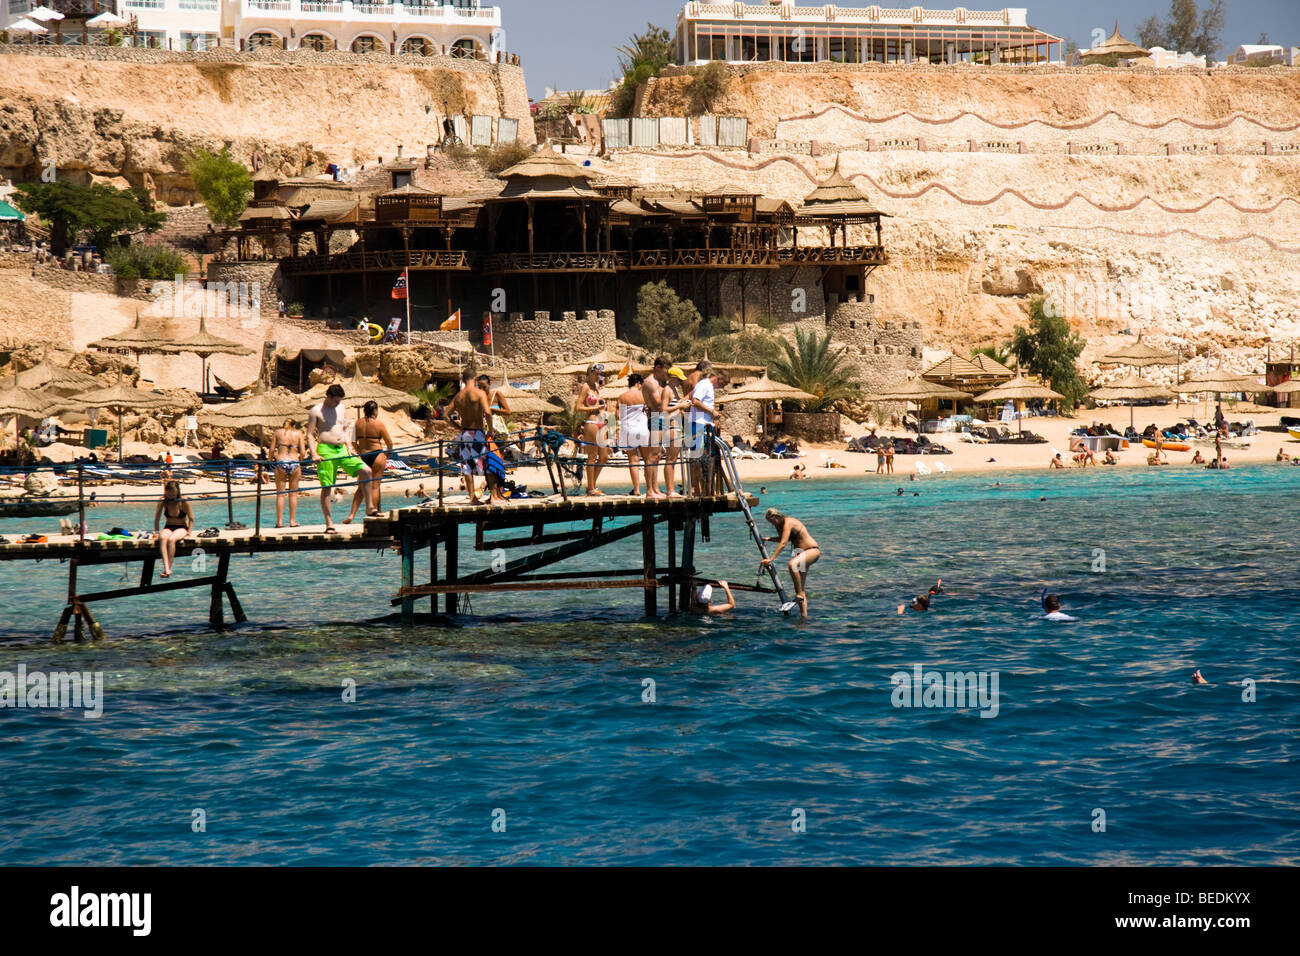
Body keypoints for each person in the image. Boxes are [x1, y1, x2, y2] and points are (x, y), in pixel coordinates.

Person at [307, 384, 371, 532]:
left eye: (339, 401)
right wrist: (314, 454)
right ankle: (329, 523)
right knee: (327, 487)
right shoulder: (315, 411)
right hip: (325, 449)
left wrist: (349, 446)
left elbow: (347, 426)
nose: (337, 403)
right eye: (335, 400)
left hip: (342, 449)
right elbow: (310, 434)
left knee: (366, 471)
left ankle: (370, 508)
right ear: (328, 397)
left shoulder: (341, 407)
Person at [762, 508, 819, 618]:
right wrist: (768, 539)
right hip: (800, 553)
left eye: (773, 521)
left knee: (792, 564)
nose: (772, 524)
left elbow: (783, 543)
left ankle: (799, 595)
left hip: (811, 551)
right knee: (801, 590)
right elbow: (783, 539)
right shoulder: (779, 525)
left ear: (777, 517)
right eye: (770, 523)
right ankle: (804, 618)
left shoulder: (788, 522)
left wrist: (771, 559)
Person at [346, 400, 394, 522]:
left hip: (363, 455)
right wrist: (388, 453)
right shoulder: (379, 424)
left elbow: (352, 442)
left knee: (361, 487)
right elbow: (389, 442)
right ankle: (374, 512)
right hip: (377, 454)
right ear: (375, 411)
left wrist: (359, 452)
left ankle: (351, 514)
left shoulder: (357, 423)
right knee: (375, 486)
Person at [451, 368, 492, 504]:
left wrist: (457, 427)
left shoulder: (459, 396)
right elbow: (488, 412)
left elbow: (445, 414)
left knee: (466, 466)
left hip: (465, 433)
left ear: (463, 380)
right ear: (475, 379)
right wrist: (490, 429)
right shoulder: (479, 393)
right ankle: (494, 495)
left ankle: (472, 498)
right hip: (478, 432)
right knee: (487, 463)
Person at [640, 357, 672, 499]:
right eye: (665, 368)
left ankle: (655, 488)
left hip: (659, 419)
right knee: (652, 455)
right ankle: (649, 491)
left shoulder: (659, 382)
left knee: (658, 455)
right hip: (654, 419)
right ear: (658, 367)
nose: (667, 372)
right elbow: (659, 404)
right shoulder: (650, 382)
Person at [577, 364, 609, 496]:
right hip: (591, 421)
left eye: (599, 374)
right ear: (589, 373)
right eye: (596, 373)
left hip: (601, 421)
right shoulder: (585, 387)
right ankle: (591, 488)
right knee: (592, 456)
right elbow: (578, 407)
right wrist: (594, 408)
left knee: (604, 456)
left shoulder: (597, 386)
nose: (598, 376)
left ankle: (592, 485)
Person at [152, 479, 194, 579]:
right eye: (170, 495)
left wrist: (189, 532)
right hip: (168, 526)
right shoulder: (163, 501)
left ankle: (168, 569)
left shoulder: (183, 501)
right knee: (163, 539)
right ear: (166, 492)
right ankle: (166, 568)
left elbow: (191, 519)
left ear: (178, 492)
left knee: (171, 540)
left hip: (181, 527)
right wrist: (157, 532)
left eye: (174, 495)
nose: (172, 497)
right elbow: (157, 519)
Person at [271, 417, 306, 528]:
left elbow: (272, 450)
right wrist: (300, 461)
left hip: (281, 462)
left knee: (280, 495)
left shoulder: (278, 432)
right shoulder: (299, 433)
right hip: (294, 462)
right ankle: (292, 521)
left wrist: (269, 460)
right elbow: (303, 452)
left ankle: (280, 522)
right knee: (293, 495)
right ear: (294, 426)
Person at [617, 373, 648, 495]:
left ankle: (636, 490)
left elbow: (618, 415)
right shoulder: (644, 396)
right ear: (639, 383)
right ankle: (651, 488)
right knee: (647, 460)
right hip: (643, 429)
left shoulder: (622, 397)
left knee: (633, 461)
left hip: (629, 430)